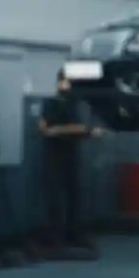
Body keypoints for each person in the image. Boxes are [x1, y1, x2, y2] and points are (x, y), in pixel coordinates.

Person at [36, 70, 103, 260]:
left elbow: (74, 128)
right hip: (53, 156)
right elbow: (45, 130)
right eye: (68, 82)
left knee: (75, 195)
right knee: (54, 198)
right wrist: (79, 130)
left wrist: (84, 132)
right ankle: (54, 237)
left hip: (71, 154)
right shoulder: (50, 103)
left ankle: (74, 234)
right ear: (60, 82)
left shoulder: (74, 103)